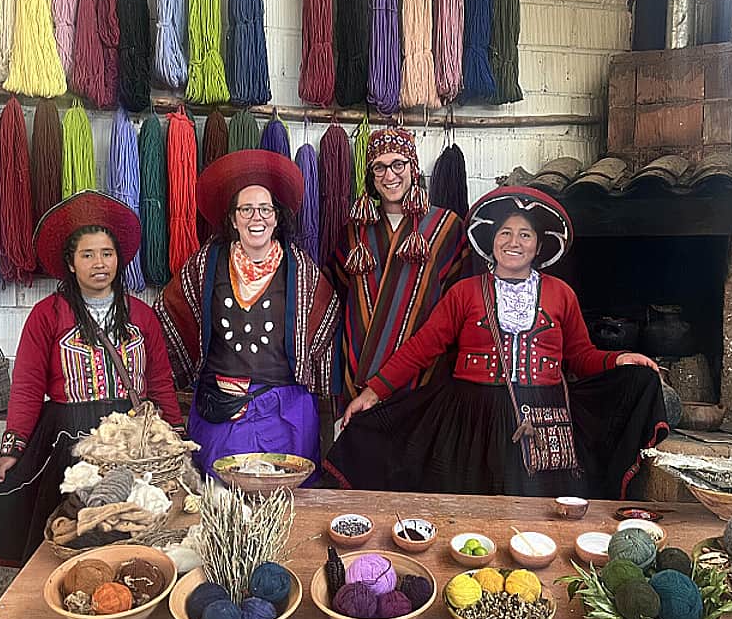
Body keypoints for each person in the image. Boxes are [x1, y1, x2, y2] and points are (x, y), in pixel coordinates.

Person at [325, 186, 669, 499]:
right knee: (469, 510)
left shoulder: (560, 294)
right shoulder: (464, 292)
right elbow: (422, 348)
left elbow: (580, 357)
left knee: (540, 514)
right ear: (492, 240)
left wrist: (618, 360)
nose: (513, 242)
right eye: (505, 233)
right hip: (471, 421)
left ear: (538, 244)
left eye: (524, 234)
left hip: (544, 418)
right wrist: (372, 393)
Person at [0, 191, 184, 567]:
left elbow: (159, 380)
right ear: (71, 264)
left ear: (118, 259)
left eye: (106, 253)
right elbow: (26, 385)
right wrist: (13, 448)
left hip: (129, 440)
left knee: (129, 525)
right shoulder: (47, 316)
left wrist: (175, 440)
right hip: (67, 439)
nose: (99, 263)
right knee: (71, 529)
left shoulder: (142, 316)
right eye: (87, 255)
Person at [156, 150, 339, 482]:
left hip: (286, 415)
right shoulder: (206, 264)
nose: (257, 218)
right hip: (222, 411)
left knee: (289, 506)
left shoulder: (301, 270)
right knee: (221, 503)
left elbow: (328, 321)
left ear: (277, 216)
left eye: (265, 209)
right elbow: (170, 314)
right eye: (247, 209)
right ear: (233, 218)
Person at [332, 127, 468, 403]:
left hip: (423, 374)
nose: (389, 175)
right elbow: (340, 295)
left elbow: (456, 305)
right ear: (371, 176)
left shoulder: (446, 227)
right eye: (379, 168)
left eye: (398, 164)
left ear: (413, 167)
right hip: (359, 370)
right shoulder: (353, 231)